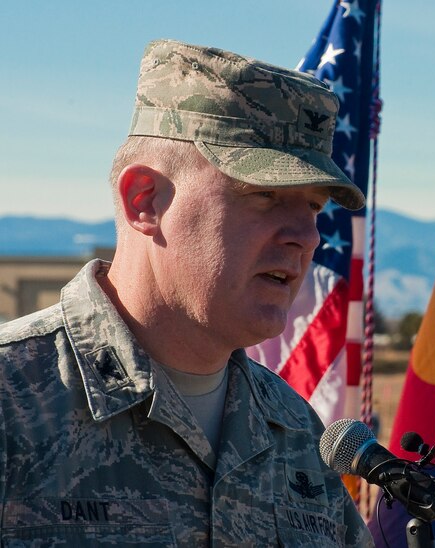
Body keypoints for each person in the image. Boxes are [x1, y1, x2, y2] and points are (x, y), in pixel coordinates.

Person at [0, 39, 373, 547]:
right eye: (263, 195)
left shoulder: (297, 431)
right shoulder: (13, 401)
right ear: (144, 201)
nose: (306, 237)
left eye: (312, 206)